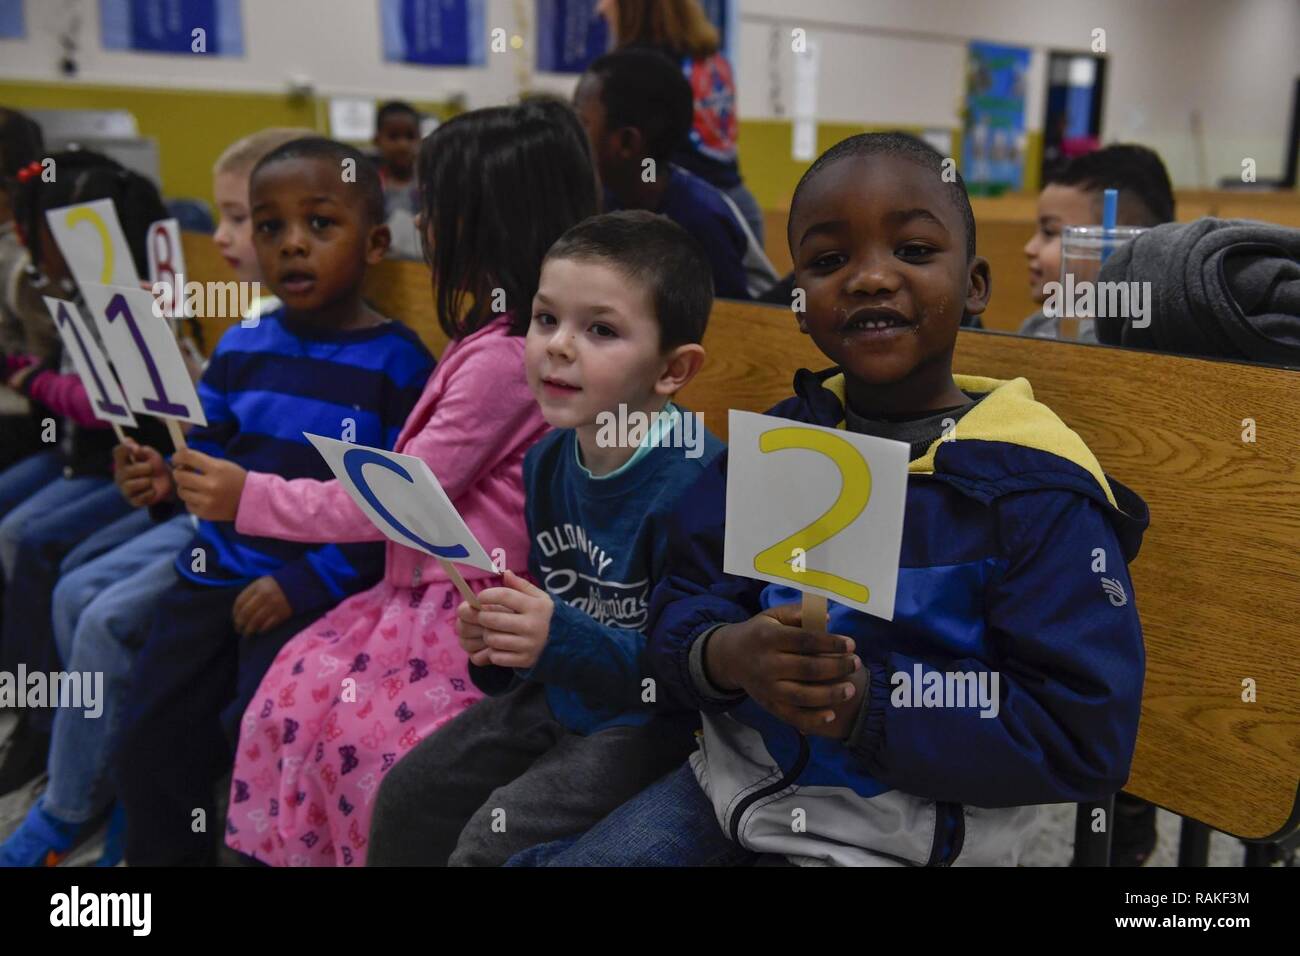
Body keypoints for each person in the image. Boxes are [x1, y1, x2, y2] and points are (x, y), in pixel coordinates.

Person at [507, 133, 1150, 868]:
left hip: (905, 845)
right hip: (728, 799)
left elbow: (1083, 736)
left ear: (974, 285)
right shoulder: (788, 443)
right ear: (801, 307)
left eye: (911, 251)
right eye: (827, 261)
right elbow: (679, 605)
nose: (871, 279)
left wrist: (868, 705)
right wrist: (727, 654)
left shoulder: (1035, 489)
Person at [176, 98, 593, 866]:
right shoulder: (488, 342)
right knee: (284, 703)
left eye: (434, 210)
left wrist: (251, 498)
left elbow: (401, 498)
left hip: (457, 607)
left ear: (485, 217)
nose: (422, 229)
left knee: (358, 747)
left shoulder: (505, 360)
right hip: (410, 596)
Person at [108, 137, 435, 866]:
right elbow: (208, 452)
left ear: (376, 242)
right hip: (212, 575)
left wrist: (301, 582)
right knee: (147, 744)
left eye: (320, 225)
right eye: (269, 226)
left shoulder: (401, 365)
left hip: (317, 597)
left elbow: (394, 513)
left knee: (255, 745)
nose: (292, 245)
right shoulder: (243, 342)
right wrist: (164, 477)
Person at [367, 209, 723, 866]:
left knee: (488, 841)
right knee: (409, 796)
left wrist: (554, 636)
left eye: (601, 330)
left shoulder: (699, 484)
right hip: (558, 697)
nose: (558, 345)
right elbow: (550, 596)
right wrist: (498, 645)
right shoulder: (548, 461)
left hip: (650, 726)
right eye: (545, 318)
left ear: (673, 370)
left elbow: (687, 675)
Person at [0, 126, 307, 867]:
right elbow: (208, 444)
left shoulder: (300, 333)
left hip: (257, 542)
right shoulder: (243, 327)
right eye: (228, 217)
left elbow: (325, 488)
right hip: (203, 517)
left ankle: (78, 800)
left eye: (245, 220)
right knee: (72, 585)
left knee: (96, 607)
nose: (226, 237)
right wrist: (172, 477)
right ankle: (73, 780)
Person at [0, 151, 172, 795]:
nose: (26, 238)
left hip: (120, 469)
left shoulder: (135, 301)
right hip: (83, 457)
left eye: (41, 226)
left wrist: (28, 377)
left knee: (39, 544)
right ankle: (26, 693)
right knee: (15, 523)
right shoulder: (71, 294)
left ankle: (45, 723)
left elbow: (111, 407)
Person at [575, 49, 777, 300]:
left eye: (582, 123)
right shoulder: (604, 200)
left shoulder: (701, 219)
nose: (573, 136)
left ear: (627, 142)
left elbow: (731, 325)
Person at [596, 0, 765, 246]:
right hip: (738, 204)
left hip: (692, 220)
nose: (600, 8)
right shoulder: (712, 57)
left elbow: (648, 160)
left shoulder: (641, 71)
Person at [1020, 144, 1175, 342]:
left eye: (1049, 232)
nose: (1029, 248)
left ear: (1124, 247)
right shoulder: (1036, 328)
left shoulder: (1146, 339)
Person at [373, 100, 422, 260]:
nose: (403, 145)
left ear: (420, 139)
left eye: (410, 136)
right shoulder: (370, 185)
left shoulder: (428, 184)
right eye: (393, 137)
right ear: (377, 140)